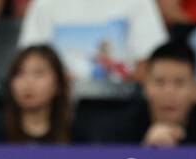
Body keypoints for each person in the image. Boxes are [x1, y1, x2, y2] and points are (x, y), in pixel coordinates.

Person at [17, 0, 169, 93]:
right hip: (60, 106)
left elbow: (153, 61)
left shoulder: (139, 2)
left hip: (123, 105)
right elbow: (32, 59)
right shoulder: (44, 3)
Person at [100, 40, 196, 143]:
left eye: (179, 83)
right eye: (159, 82)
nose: (169, 93)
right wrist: (145, 151)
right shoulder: (119, 130)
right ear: (146, 87)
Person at [0, 43, 73, 143]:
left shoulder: (78, 137)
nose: (28, 83)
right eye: (20, 73)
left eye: (38, 73)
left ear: (58, 84)